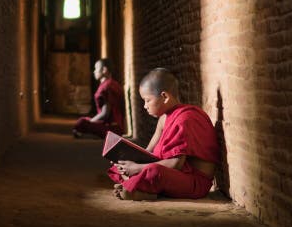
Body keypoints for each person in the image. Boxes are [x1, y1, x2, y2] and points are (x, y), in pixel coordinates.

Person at [108, 67, 219, 201]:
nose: (145, 106)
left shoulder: (185, 119)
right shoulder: (164, 118)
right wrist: (124, 157)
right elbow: (148, 152)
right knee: (118, 167)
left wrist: (137, 168)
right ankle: (143, 188)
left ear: (165, 97)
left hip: (193, 181)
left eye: (147, 100)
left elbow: (175, 164)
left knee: (155, 172)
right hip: (174, 173)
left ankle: (140, 187)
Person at [72, 58, 125, 139]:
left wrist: (90, 122)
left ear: (104, 70)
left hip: (111, 128)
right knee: (84, 120)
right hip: (118, 127)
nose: (94, 71)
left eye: (96, 69)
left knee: (81, 122)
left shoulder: (106, 87)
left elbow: (105, 114)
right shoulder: (114, 84)